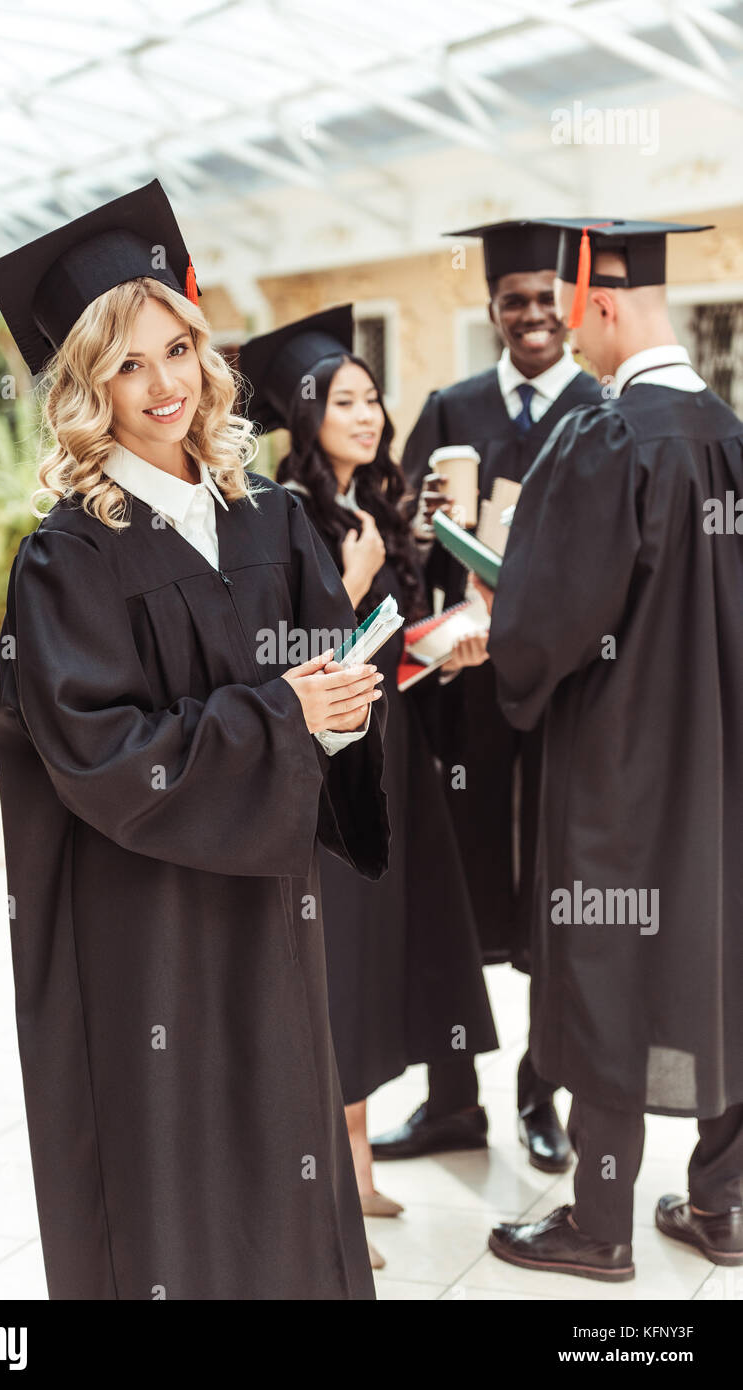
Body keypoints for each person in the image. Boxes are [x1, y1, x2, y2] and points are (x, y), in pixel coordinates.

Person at [0, 181, 391, 1300]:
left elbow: (331, 704)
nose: (163, 384)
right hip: (144, 927)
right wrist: (282, 718)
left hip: (269, 910)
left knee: (282, 1139)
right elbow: (100, 758)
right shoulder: (67, 558)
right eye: (125, 363)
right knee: (174, 1171)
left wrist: (353, 702)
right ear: (83, 386)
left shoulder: (274, 520)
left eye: (176, 348)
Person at [485, 217, 743, 1281]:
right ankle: (724, 1204)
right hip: (726, 766)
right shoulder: (730, 432)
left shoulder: (610, 435)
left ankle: (599, 1226)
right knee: (725, 949)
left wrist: (504, 653)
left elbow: (545, 619)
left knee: (606, 966)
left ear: (597, 305)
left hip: (623, 763)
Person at [240, 307, 498, 1268]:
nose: (371, 413)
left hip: (390, 749)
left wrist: (445, 642)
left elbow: (393, 644)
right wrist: (348, 588)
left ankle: (359, 1162)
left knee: (379, 959)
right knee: (335, 962)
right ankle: (331, 1188)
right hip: (326, 764)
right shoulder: (280, 513)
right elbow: (274, 656)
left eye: (372, 396)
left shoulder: (378, 506)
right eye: (345, 400)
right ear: (304, 415)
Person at [375, 221, 603, 1172]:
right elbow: (404, 547)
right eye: (514, 298)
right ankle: (451, 1099)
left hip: (567, 707)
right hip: (464, 702)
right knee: (454, 896)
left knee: (560, 903)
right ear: (492, 308)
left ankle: (541, 1092)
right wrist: (424, 534)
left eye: (548, 297)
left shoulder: (602, 408)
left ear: (574, 306)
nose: (533, 314)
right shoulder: (452, 405)